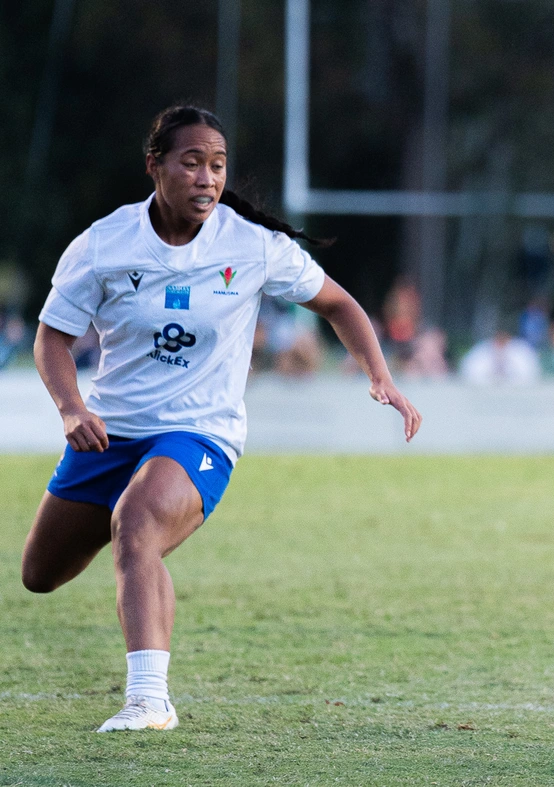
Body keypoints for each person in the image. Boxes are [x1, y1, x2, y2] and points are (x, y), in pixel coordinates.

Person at [20, 106, 421, 733]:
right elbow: (51, 341)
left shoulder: (251, 245)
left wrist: (380, 375)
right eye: (192, 162)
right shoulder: (103, 244)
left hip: (199, 433)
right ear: (154, 166)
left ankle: (149, 701)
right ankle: (142, 561)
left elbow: (339, 303)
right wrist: (71, 408)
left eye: (218, 164)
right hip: (109, 435)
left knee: (139, 522)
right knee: (39, 575)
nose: (208, 177)